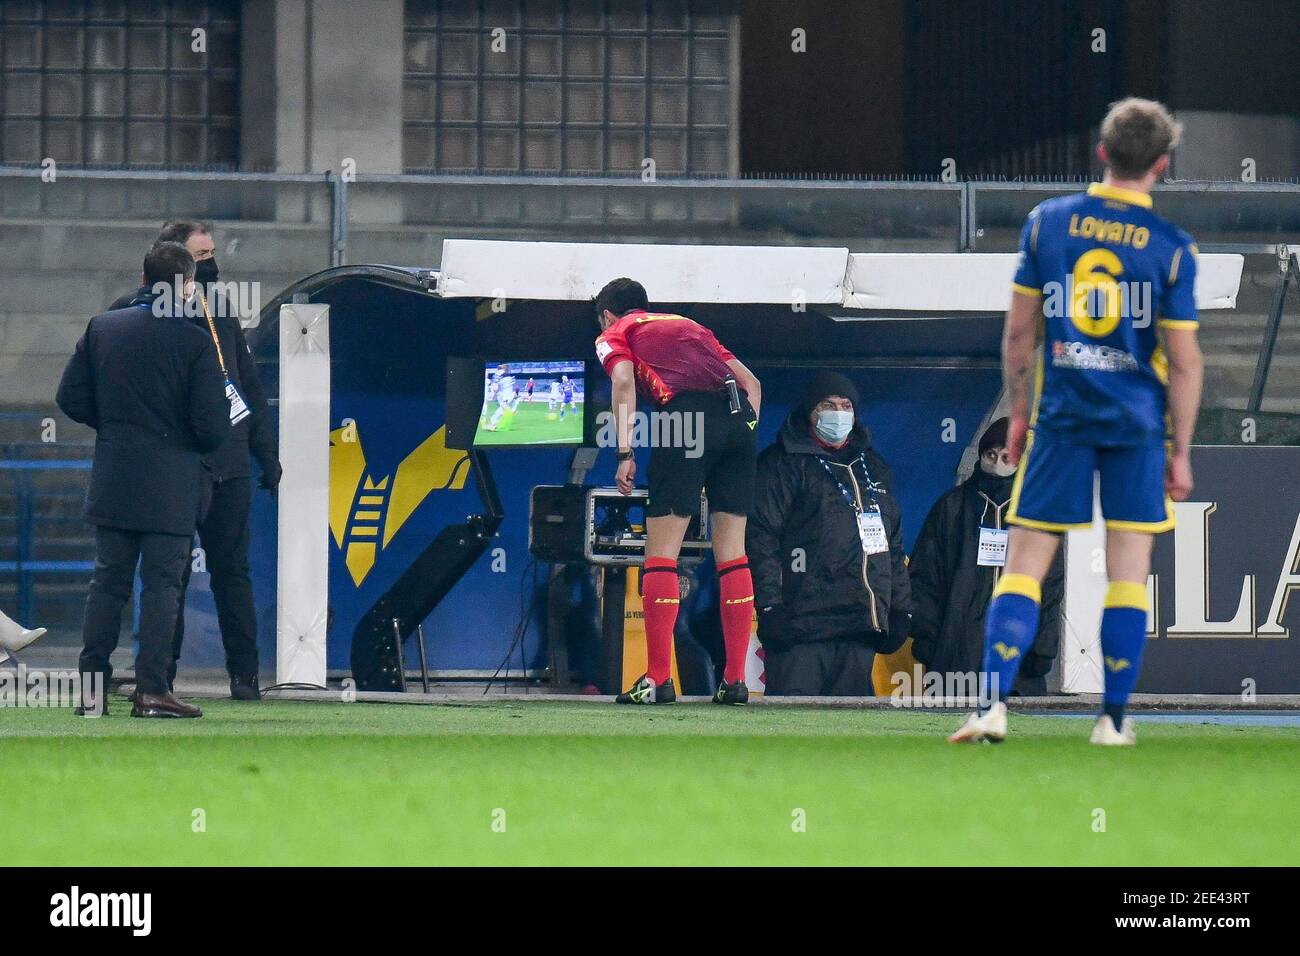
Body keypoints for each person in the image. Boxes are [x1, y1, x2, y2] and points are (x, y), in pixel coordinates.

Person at [951, 98, 1203, 746]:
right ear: (1162, 164)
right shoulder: (1172, 249)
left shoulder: (1049, 224)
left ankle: (991, 708)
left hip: (1061, 420)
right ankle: (1112, 720)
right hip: (1137, 426)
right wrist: (1182, 451)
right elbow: (1184, 362)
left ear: (1102, 152)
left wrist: (1019, 414)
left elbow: (1017, 333)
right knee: (1128, 571)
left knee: (1024, 564)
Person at [58, 242, 230, 718]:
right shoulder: (194, 341)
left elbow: (69, 397)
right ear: (188, 285)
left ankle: (92, 694)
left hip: (115, 476)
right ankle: (153, 691)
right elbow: (213, 426)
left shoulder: (103, 328)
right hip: (171, 486)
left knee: (107, 584)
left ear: (142, 277)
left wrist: (115, 428)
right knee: (160, 588)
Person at [110, 220, 278, 700]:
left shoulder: (220, 315)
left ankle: (244, 677)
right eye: (200, 258)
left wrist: (264, 452)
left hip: (227, 465)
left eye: (211, 255)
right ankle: (160, 677)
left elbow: (247, 386)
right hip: (177, 467)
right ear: (175, 262)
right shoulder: (132, 315)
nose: (210, 266)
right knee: (169, 575)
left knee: (232, 572)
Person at [594, 277, 762, 705]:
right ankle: (735, 682)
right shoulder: (689, 324)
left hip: (683, 422)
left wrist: (624, 452)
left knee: (661, 553)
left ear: (608, 314)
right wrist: (738, 434)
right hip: (737, 423)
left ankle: (657, 680)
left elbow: (624, 384)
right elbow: (752, 385)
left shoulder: (616, 332)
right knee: (733, 553)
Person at [747, 371, 911, 695]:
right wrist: (769, 607)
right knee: (793, 734)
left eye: (845, 405)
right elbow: (761, 538)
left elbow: (891, 545)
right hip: (800, 631)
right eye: (829, 404)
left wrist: (900, 608)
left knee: (850, 737)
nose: (838, 412)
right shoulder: (781, 464)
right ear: (811, 411)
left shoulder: (873, 467)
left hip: (858, 629)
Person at [909, 418, 1061, 695]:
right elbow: (924, 580)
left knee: (1017, 736)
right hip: (955, 655)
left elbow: (1050, 588)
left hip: (1020, 663)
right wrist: (927, 640)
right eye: (991, 455)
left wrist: (1043, 649)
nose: (998, 463)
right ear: (980, 456)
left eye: (1007, 457)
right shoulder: (951, 508)